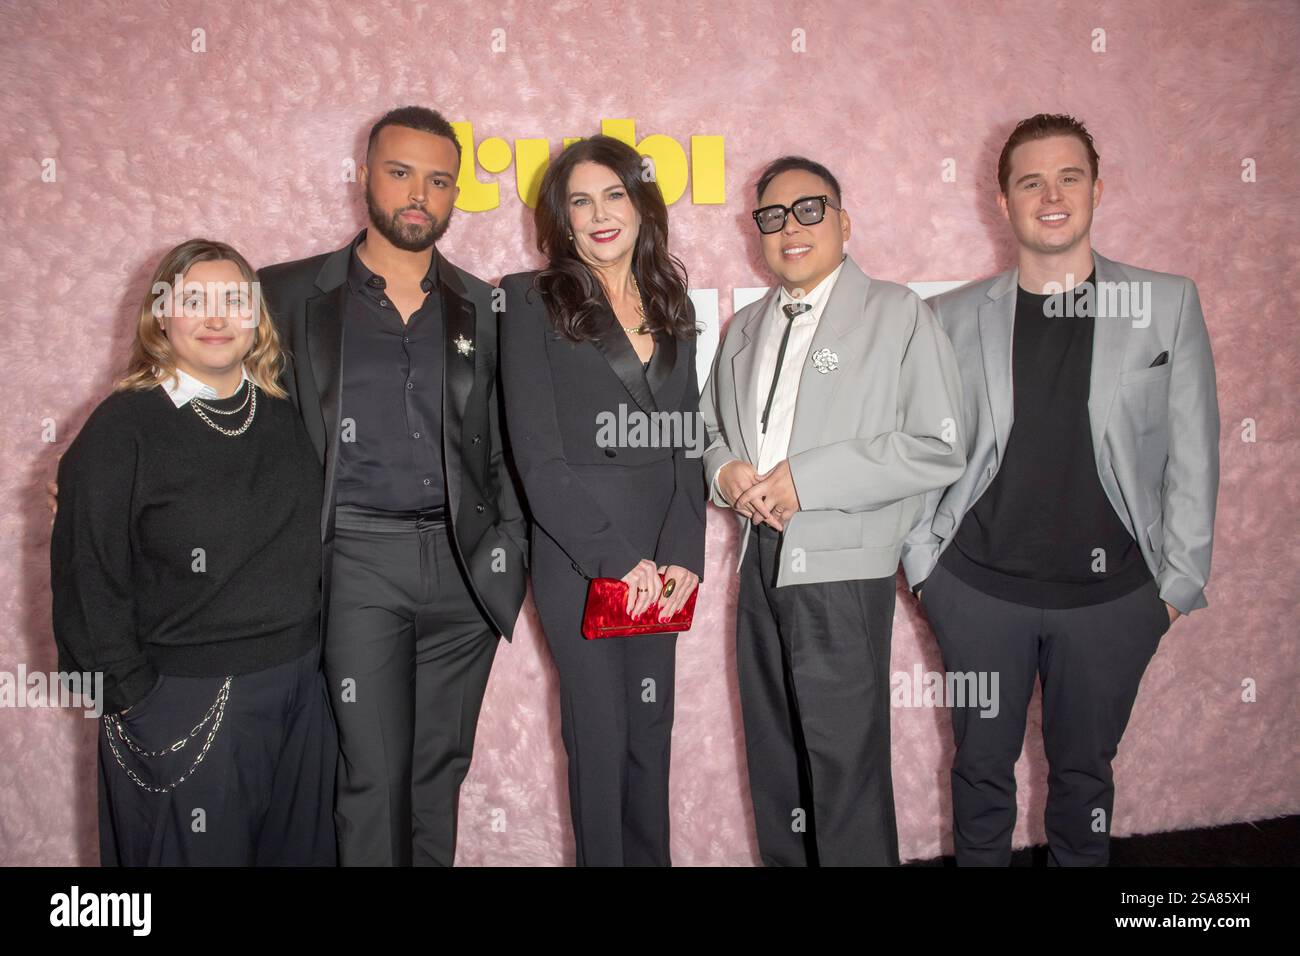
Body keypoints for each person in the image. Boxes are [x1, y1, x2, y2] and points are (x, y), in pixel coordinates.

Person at [901, 113, 1220, 865]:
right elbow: (926, 450)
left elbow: (1196, 452)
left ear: (1097, 189)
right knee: (980, 774)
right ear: (1003, 201)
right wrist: (925, 570)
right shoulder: (947, 319)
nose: (1052, 194)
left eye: (1069, 177)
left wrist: (1176, 585)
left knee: (1085, 782)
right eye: (1030, 181)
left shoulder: (1166, 303)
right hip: (976, 593)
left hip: (1113, 605)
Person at [257, 106, 529, 866]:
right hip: (355, 563)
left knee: (437, 775)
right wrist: (107, 475)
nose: (419, 194)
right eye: (401, 173)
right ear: (365, 177)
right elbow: (209, 401)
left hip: (465, 571)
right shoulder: (283, 295)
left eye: (438, 180)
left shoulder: (486, 305)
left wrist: (509, 546)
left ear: (454, 193)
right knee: (372, 778)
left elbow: (513, 443)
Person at [700, 156, 967, 866]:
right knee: (775, 754)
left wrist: (806, 480)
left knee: (844, 767)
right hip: (757, 558)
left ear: (845, 223)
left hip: (841, 564)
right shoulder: (745, 328)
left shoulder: (896, 313)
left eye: (810, 210)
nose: (792, 227)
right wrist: (726, 471)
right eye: (773, 216)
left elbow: (938, 446)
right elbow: (708, 429)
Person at [50, 239, 335, 865]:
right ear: (160, 316)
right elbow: (87, 575)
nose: (215, 318)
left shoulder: (288, 411)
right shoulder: (122, 427)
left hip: (301, 687)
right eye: (193, 300)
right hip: (183, 698)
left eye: (233, 300)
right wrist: (132, 699)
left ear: (256, 316)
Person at [498, 134, 706, 866]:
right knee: (599, 738)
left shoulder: (671, 300)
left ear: (642, 204)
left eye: (614, 194)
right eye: (579, 202)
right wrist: (615, 558)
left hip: (662, 556)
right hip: (581, 555)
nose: (599, 215)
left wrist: (683, 554)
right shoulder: (529, 301)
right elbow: (537, 458)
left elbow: (687, 441)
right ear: (562, 219)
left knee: (652, 734)